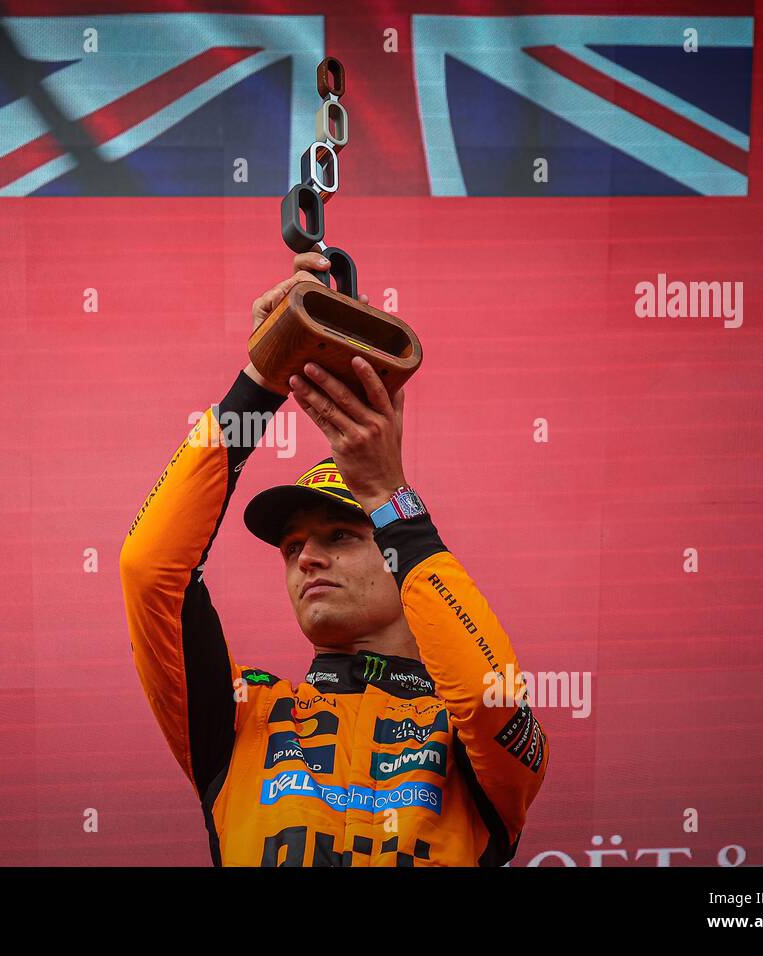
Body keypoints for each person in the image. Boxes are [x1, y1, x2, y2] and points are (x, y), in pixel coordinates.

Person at [119, 252, 548, 866]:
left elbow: (486, 696)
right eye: (293, 548)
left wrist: (385, 495)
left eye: (341, 536)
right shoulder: (245, 720)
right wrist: (263, 380)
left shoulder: (463, 736)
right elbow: (150, 568)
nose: (307, 561)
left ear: (400, 556)